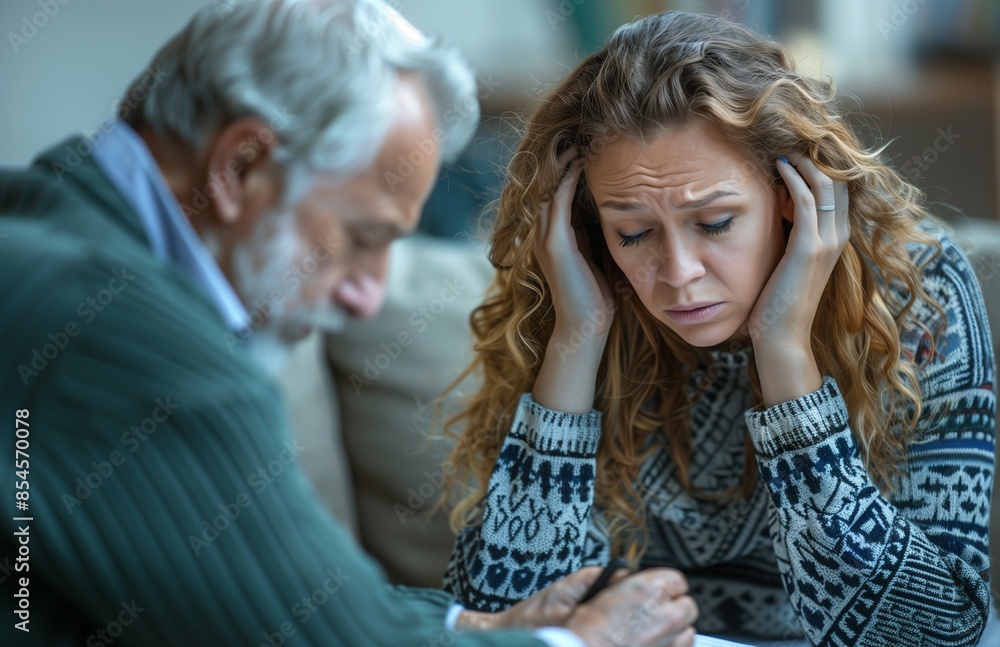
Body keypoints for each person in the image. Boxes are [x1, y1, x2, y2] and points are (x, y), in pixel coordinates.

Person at [0, 1, 700, 645]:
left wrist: (481, 621)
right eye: (363, 236)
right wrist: (583, 642)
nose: (367, 296)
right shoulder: (137, 340)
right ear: (241, 165)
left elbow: (288, 597)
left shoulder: (43, 211)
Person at [441, 10, 996, 647]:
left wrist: (784, 349)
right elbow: (496, 619)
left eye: (715, 223)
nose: (677, 274)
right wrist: (576, 337)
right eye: (634, 232)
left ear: (795, 196)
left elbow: (932, 634)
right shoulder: (577, 293)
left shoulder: (915, 297)